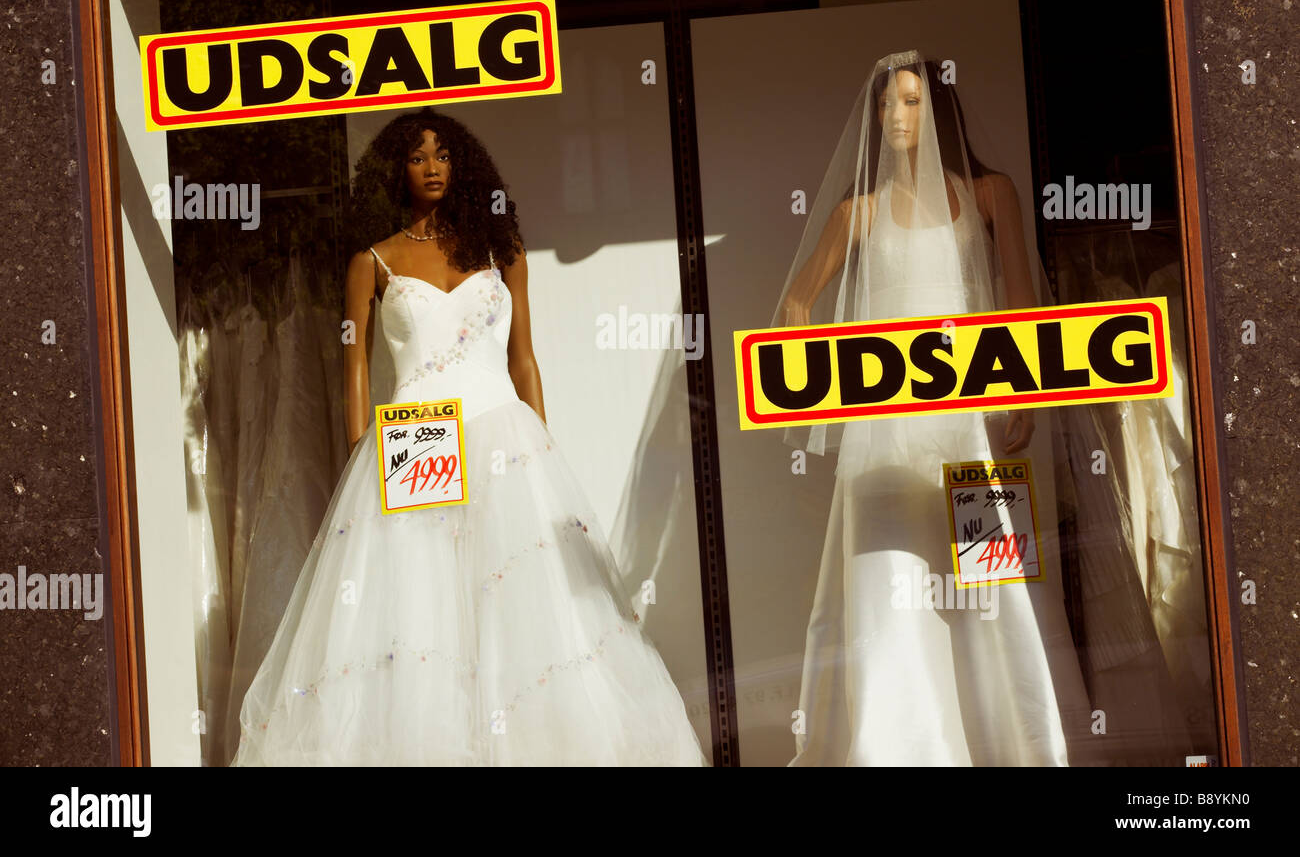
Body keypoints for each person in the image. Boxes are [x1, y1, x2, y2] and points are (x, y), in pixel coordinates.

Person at [232, 108, 705, 766]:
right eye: (419, 155)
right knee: (418, 615)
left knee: (525, 608)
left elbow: (523, 359)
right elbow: (356, 368)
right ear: (397, 168)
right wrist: (357, 465)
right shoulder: (371, 262)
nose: (432, 167)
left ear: (463, 167)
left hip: (502, 434)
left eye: (444, 155)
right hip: (414, 438)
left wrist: (543, 446)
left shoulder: (499, 252)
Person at [776, 51, 1095, 766]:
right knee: (889, 591)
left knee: (989, 586)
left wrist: (1025, 395)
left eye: (911, 102)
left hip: (964, 425)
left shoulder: (990, 195)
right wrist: (818, 384)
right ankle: (896, 747)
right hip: (884, 433)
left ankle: (1009, 745)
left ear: (936, 110)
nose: (895, 117)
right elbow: (797, 302)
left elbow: (1020, 300)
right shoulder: (856, 212)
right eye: (886, 105)